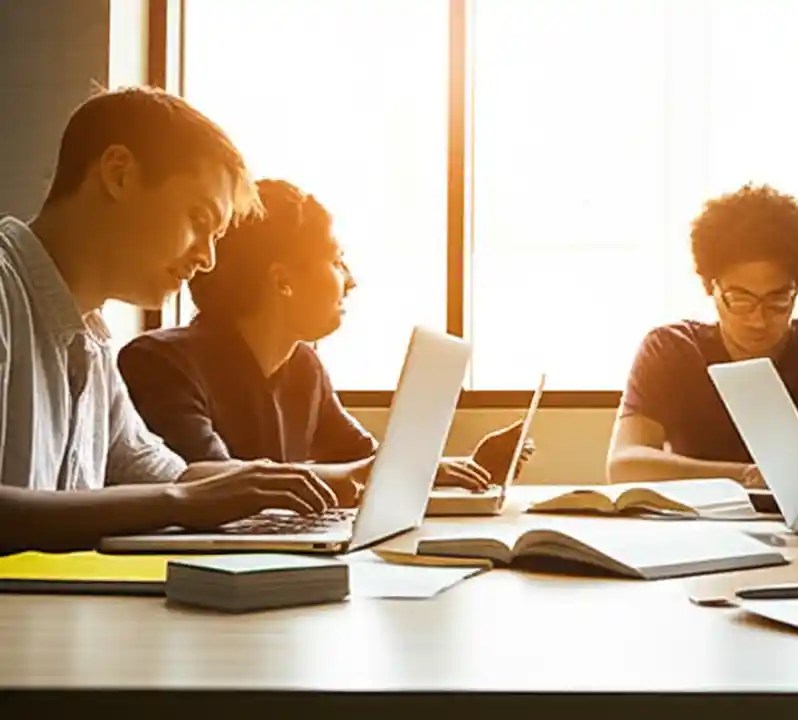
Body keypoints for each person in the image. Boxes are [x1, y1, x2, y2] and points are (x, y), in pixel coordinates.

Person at [0, 87, 344, 554]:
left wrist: (273, 482)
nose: (207, 258)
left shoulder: (90, 341)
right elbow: (177, 495)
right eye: (199, 220)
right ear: (119, 174)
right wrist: (179, 502)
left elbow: (165, 475)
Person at [118, 179, 532, 503]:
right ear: (282, 281)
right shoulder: (159, 363)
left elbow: (367, 465)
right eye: (336, 260)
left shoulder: (303, 366)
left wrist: (459, 471)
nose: (350, 280)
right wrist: (382, 473)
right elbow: (209, 488)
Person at [608, 183, 798, 486]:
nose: (758, 320)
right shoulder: (671, 349)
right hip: (699, 515)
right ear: (710, 287)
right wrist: (746, 475)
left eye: (777, 299)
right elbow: (624, 465)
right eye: (740, 299)